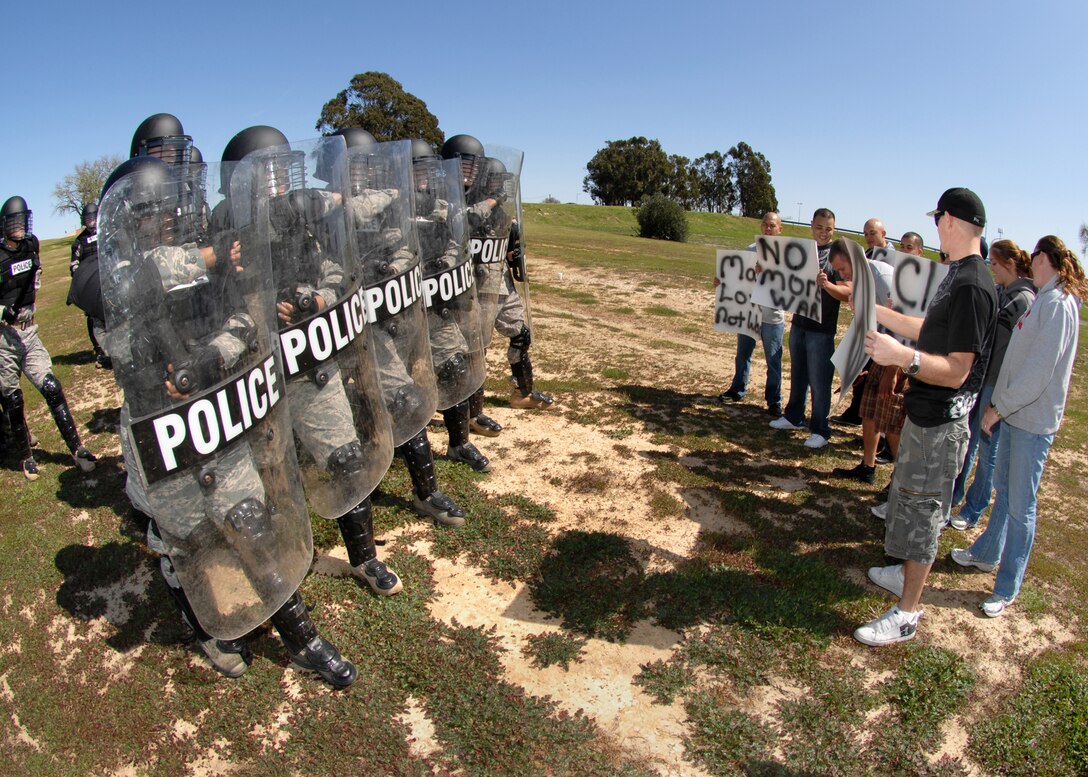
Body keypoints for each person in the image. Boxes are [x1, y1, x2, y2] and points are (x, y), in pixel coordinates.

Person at [99, 151, 357, 686]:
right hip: (156, 434)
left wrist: (211, 357)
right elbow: (126, 290)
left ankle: (303, 639)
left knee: (250, 523)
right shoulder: (108, 268)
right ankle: (209, 628)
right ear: (131, 216)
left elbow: (243, 317)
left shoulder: (215, 258)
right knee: (184, 540)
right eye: (155, 211)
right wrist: (210, 256)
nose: (169, 219)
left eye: (173, 207)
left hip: (211, 410)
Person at [854, 187, 996, 646]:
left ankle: (907, 614)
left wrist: (903, 359)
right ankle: (903, 574)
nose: (936, 227)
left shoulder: (974, 283)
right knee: (910, 501)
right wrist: (873, 313)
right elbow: (928, 330)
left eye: (937, 219)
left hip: (943, 422)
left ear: (949, 220)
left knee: (925, 512)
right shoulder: (957, 275)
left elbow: (959, 369)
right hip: (925, 414)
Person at [950, 236, 1083, 616]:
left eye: (1036, 255)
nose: (1030, 261)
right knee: (1005, 492)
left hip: (1030, 420)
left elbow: (1039, 372)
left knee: (1021, 504)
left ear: (1047, 259)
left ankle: (1006, 587)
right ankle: (987, 553)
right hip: (1015, 415)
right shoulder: (1045, 297)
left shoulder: (1057, 303)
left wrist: (998, 407)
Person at [0, 195, 98, 480]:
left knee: (52, 388)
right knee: (13, 400)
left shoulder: (32, 245)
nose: (19, 228)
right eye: (13, 223)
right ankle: (26, 457)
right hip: (4, 340)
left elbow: (35, 270)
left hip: (29, 333)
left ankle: (77, 448)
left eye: (22, 221)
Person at [949, 240, 1036, 530]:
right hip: (983, 377)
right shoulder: (1001, 292)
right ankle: (955, 496)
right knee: (970, 442)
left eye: (995, 264)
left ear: (1009, 264)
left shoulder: (1023, 299)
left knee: (987, 451)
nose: (992, 269)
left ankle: (974, 509)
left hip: (997, 384)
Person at [769, 208, 847, 449]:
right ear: (812, 225)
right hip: (800, 323)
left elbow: (847, 292)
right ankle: (794, 416)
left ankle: (821, 430)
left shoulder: (839, 255)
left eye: (829, 229)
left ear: (834, 230)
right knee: (799, 374)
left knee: (819, 380)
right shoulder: (803, 250)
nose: (823, 233)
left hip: (821, 330)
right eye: (819, 227)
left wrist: (827, 286)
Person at [864, 232, 926, 502]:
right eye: (901, 247)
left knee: (893, 420)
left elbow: (914, 333)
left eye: (909, 247)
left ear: (921, 252)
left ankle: (900, 482)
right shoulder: (898, 280)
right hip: (885, 350)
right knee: (875, 411)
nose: (904, 251)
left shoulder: (925, 284)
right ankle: (870, 467)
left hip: (903, 360)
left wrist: (894, 370)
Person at [718, 211, 785, 416]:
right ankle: (738, 389)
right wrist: (723, 282)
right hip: (748, 313)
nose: (767, 228)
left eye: (772, 225)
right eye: (765, 224)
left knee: (773, 360)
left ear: (779, 229)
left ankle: (774, 400)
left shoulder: (786, 255)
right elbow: (737, 279)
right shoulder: (749, 250)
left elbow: (790, 287)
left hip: (772, 318)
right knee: (742, 355)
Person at [68, 202, 109, 368]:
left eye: (94, 218)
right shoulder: (79, 242)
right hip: (91, 286)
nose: (91, 222)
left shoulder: (106, 233)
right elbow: (74, 266)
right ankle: (99, 350)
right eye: (88, 219)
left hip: (108, 281)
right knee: (93, 318)